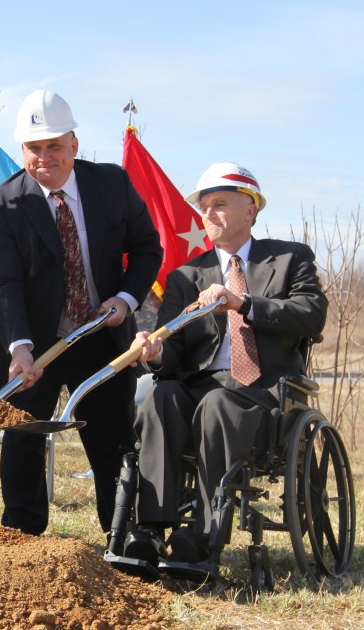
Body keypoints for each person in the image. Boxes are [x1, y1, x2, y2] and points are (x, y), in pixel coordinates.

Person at [124, 162, 328, 570]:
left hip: (265, 392)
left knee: (218, 404)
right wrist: (156, 353)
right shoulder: (187, 275)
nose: (208, 214)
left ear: (250, 210)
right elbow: (174, 349)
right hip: (201, 385)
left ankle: (201, 532)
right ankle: (149, 530)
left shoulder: (290, 260)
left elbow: (311, 313)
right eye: (204, 207)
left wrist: (244, 304)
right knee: (161, 396)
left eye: (219, 204)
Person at [0, 89, 162, 536]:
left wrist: (125, 299)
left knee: (112, 441)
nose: (45, 158)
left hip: (101, 335)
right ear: (22, 150)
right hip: (31, 342)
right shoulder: (1, 205)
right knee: (22, 438)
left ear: (74, 144)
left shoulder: (111, 186)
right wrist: (20, 348)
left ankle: (122, 536)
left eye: (54, 146)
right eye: (34, 149)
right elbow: (2, 283)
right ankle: (22, 537)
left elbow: (146, 249)